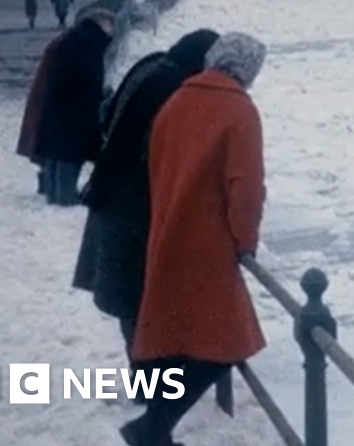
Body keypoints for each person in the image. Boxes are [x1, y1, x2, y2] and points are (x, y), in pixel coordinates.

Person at [120, 33, 268, 446]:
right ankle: (150, 428)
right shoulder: (239, 110)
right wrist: (245, 241)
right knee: (225, 344)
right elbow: (246, 188)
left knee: (175, 337)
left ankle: (155, 429)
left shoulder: (177, 101)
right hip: (209, 245)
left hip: (168, 232)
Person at [71, 29, 220, 403]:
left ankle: (150, 385)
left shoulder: (153, 66)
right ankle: (152, 389)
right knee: (140, 301)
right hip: (133, 208)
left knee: (134, 302)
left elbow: (111, 119)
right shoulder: (171, 87)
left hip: (114, 194)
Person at [34, 9, 116, 206]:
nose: (111, 29)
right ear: (100, 23)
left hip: (58, 105)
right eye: (109, 24)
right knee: (70, 154)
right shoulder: (90, 43)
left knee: (56, 152)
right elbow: (89, 78)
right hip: (75, 109)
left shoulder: (73, 39)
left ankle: (54, 194)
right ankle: (65, 197)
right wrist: (99, 97)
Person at [16, 7, 99, 194]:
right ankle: (56, 191)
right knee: (60, 152)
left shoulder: (64, 43)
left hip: (49, 107)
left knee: (51, 150)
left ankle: (50, 186)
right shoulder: (74, 46)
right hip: (56, 109)